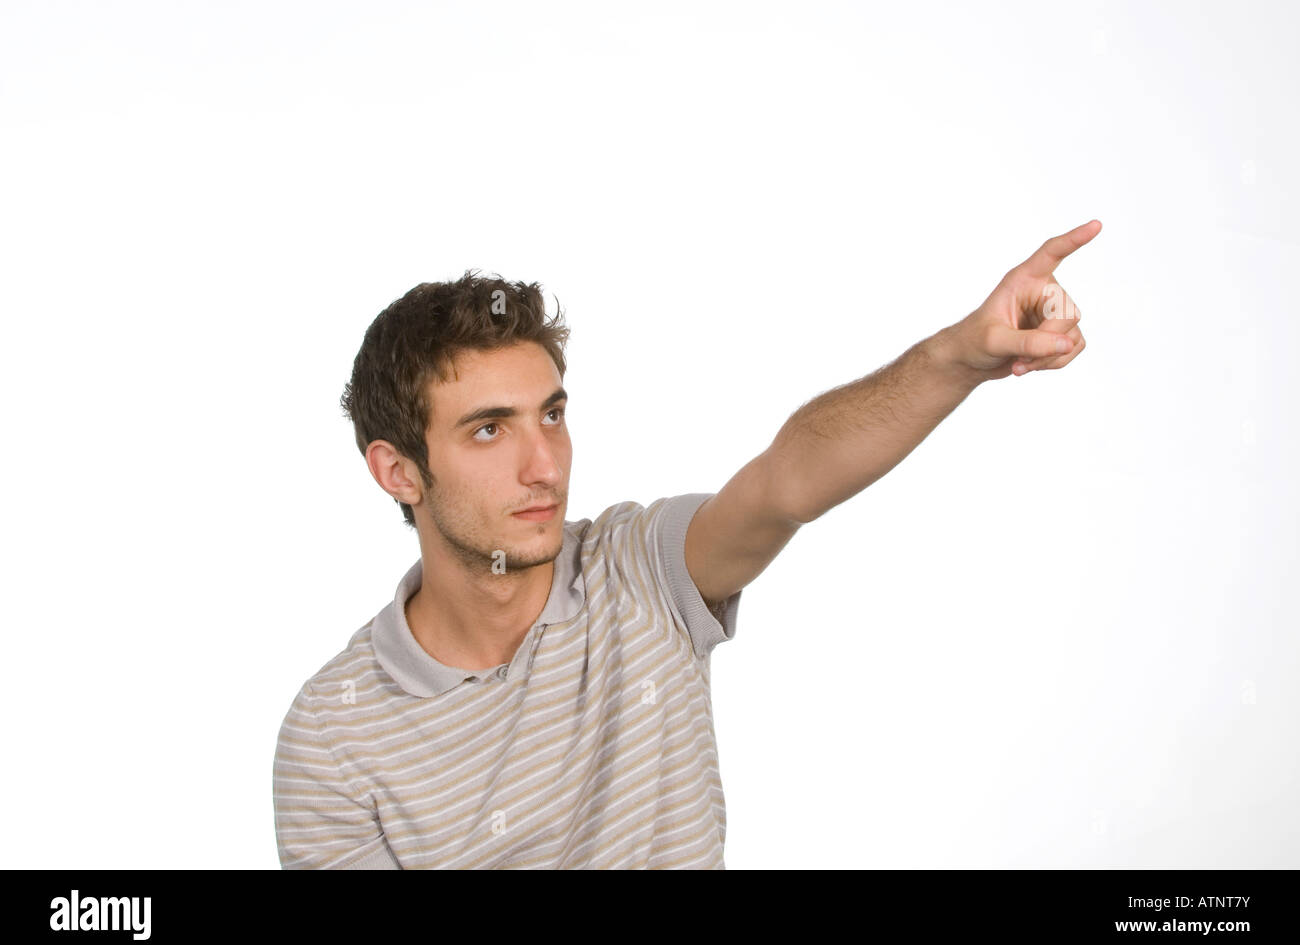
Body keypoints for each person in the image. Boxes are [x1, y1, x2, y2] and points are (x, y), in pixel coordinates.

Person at [272, 220, 1099, 868]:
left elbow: (788, 481)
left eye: (551, 416)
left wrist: (957, 356)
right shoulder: (333, 741)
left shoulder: (639, 571)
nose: (544, 465)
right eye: (489, 430)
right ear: (398, 471)